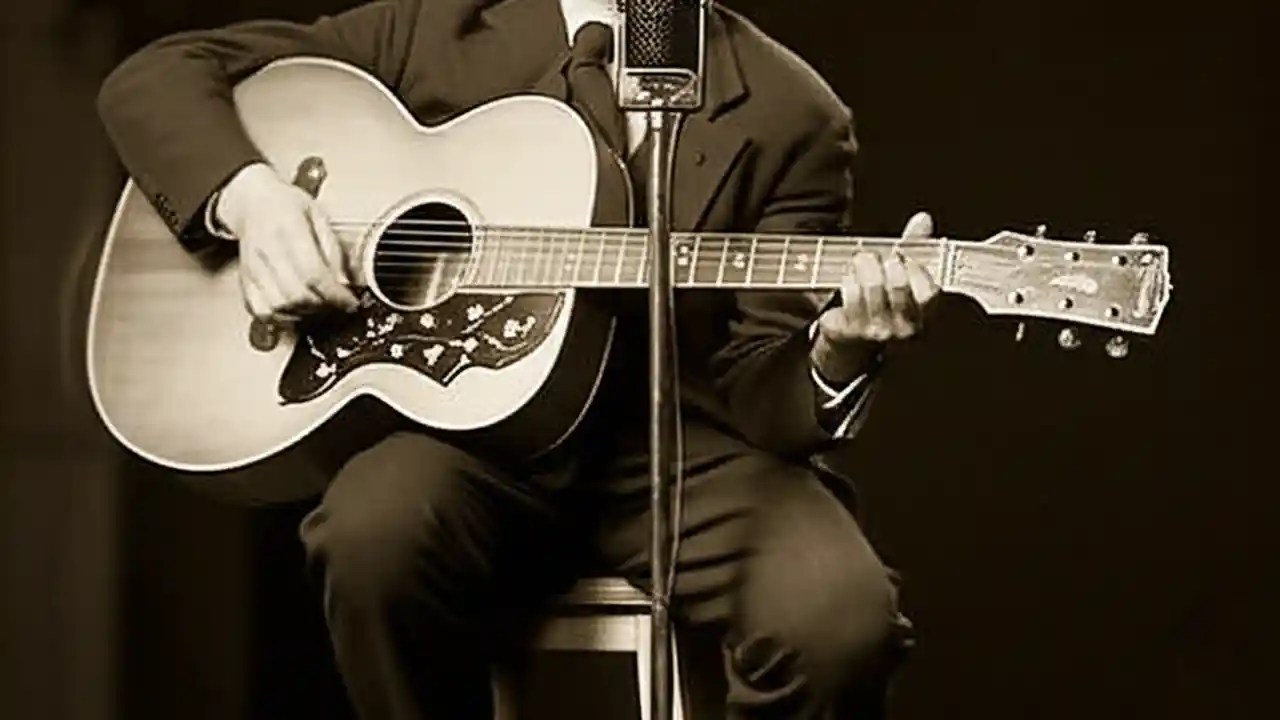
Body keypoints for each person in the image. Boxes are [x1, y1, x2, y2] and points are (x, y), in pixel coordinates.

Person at [97, 1, 940, 718]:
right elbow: (156, 79)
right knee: (372, 532)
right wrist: (254, 199)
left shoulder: (793, 112)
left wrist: (839, 348)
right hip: (469, 444)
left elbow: (761, 382)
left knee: (840, 618)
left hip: (685, 452)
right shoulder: (435, 29)